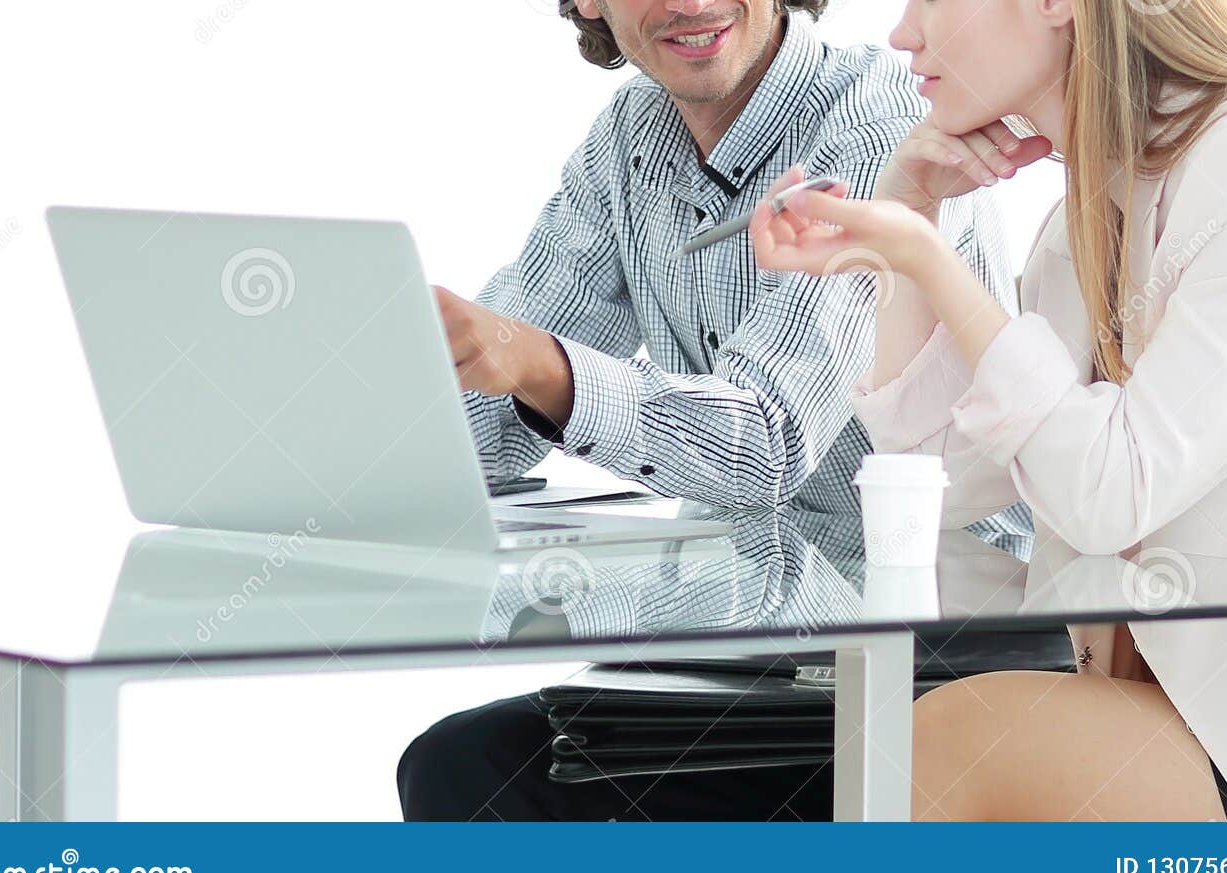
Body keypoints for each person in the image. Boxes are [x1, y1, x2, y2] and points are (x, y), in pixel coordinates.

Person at [752, 0, 1227, 821]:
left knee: (947, 746)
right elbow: (943, 474)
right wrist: (909, 221)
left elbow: (1113, 492)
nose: (903, 34)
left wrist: (935, 267)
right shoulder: (1083, 225)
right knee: (927, 748)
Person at [398, 0, 1042, 821]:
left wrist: (542, 366)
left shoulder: (880, 121)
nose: (688, 2)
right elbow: (482, 416)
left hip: (934, 655)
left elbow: (764, 443)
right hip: (752, 641)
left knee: (496, 779)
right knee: (461, 766)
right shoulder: (631, 141)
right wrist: (380, 429)